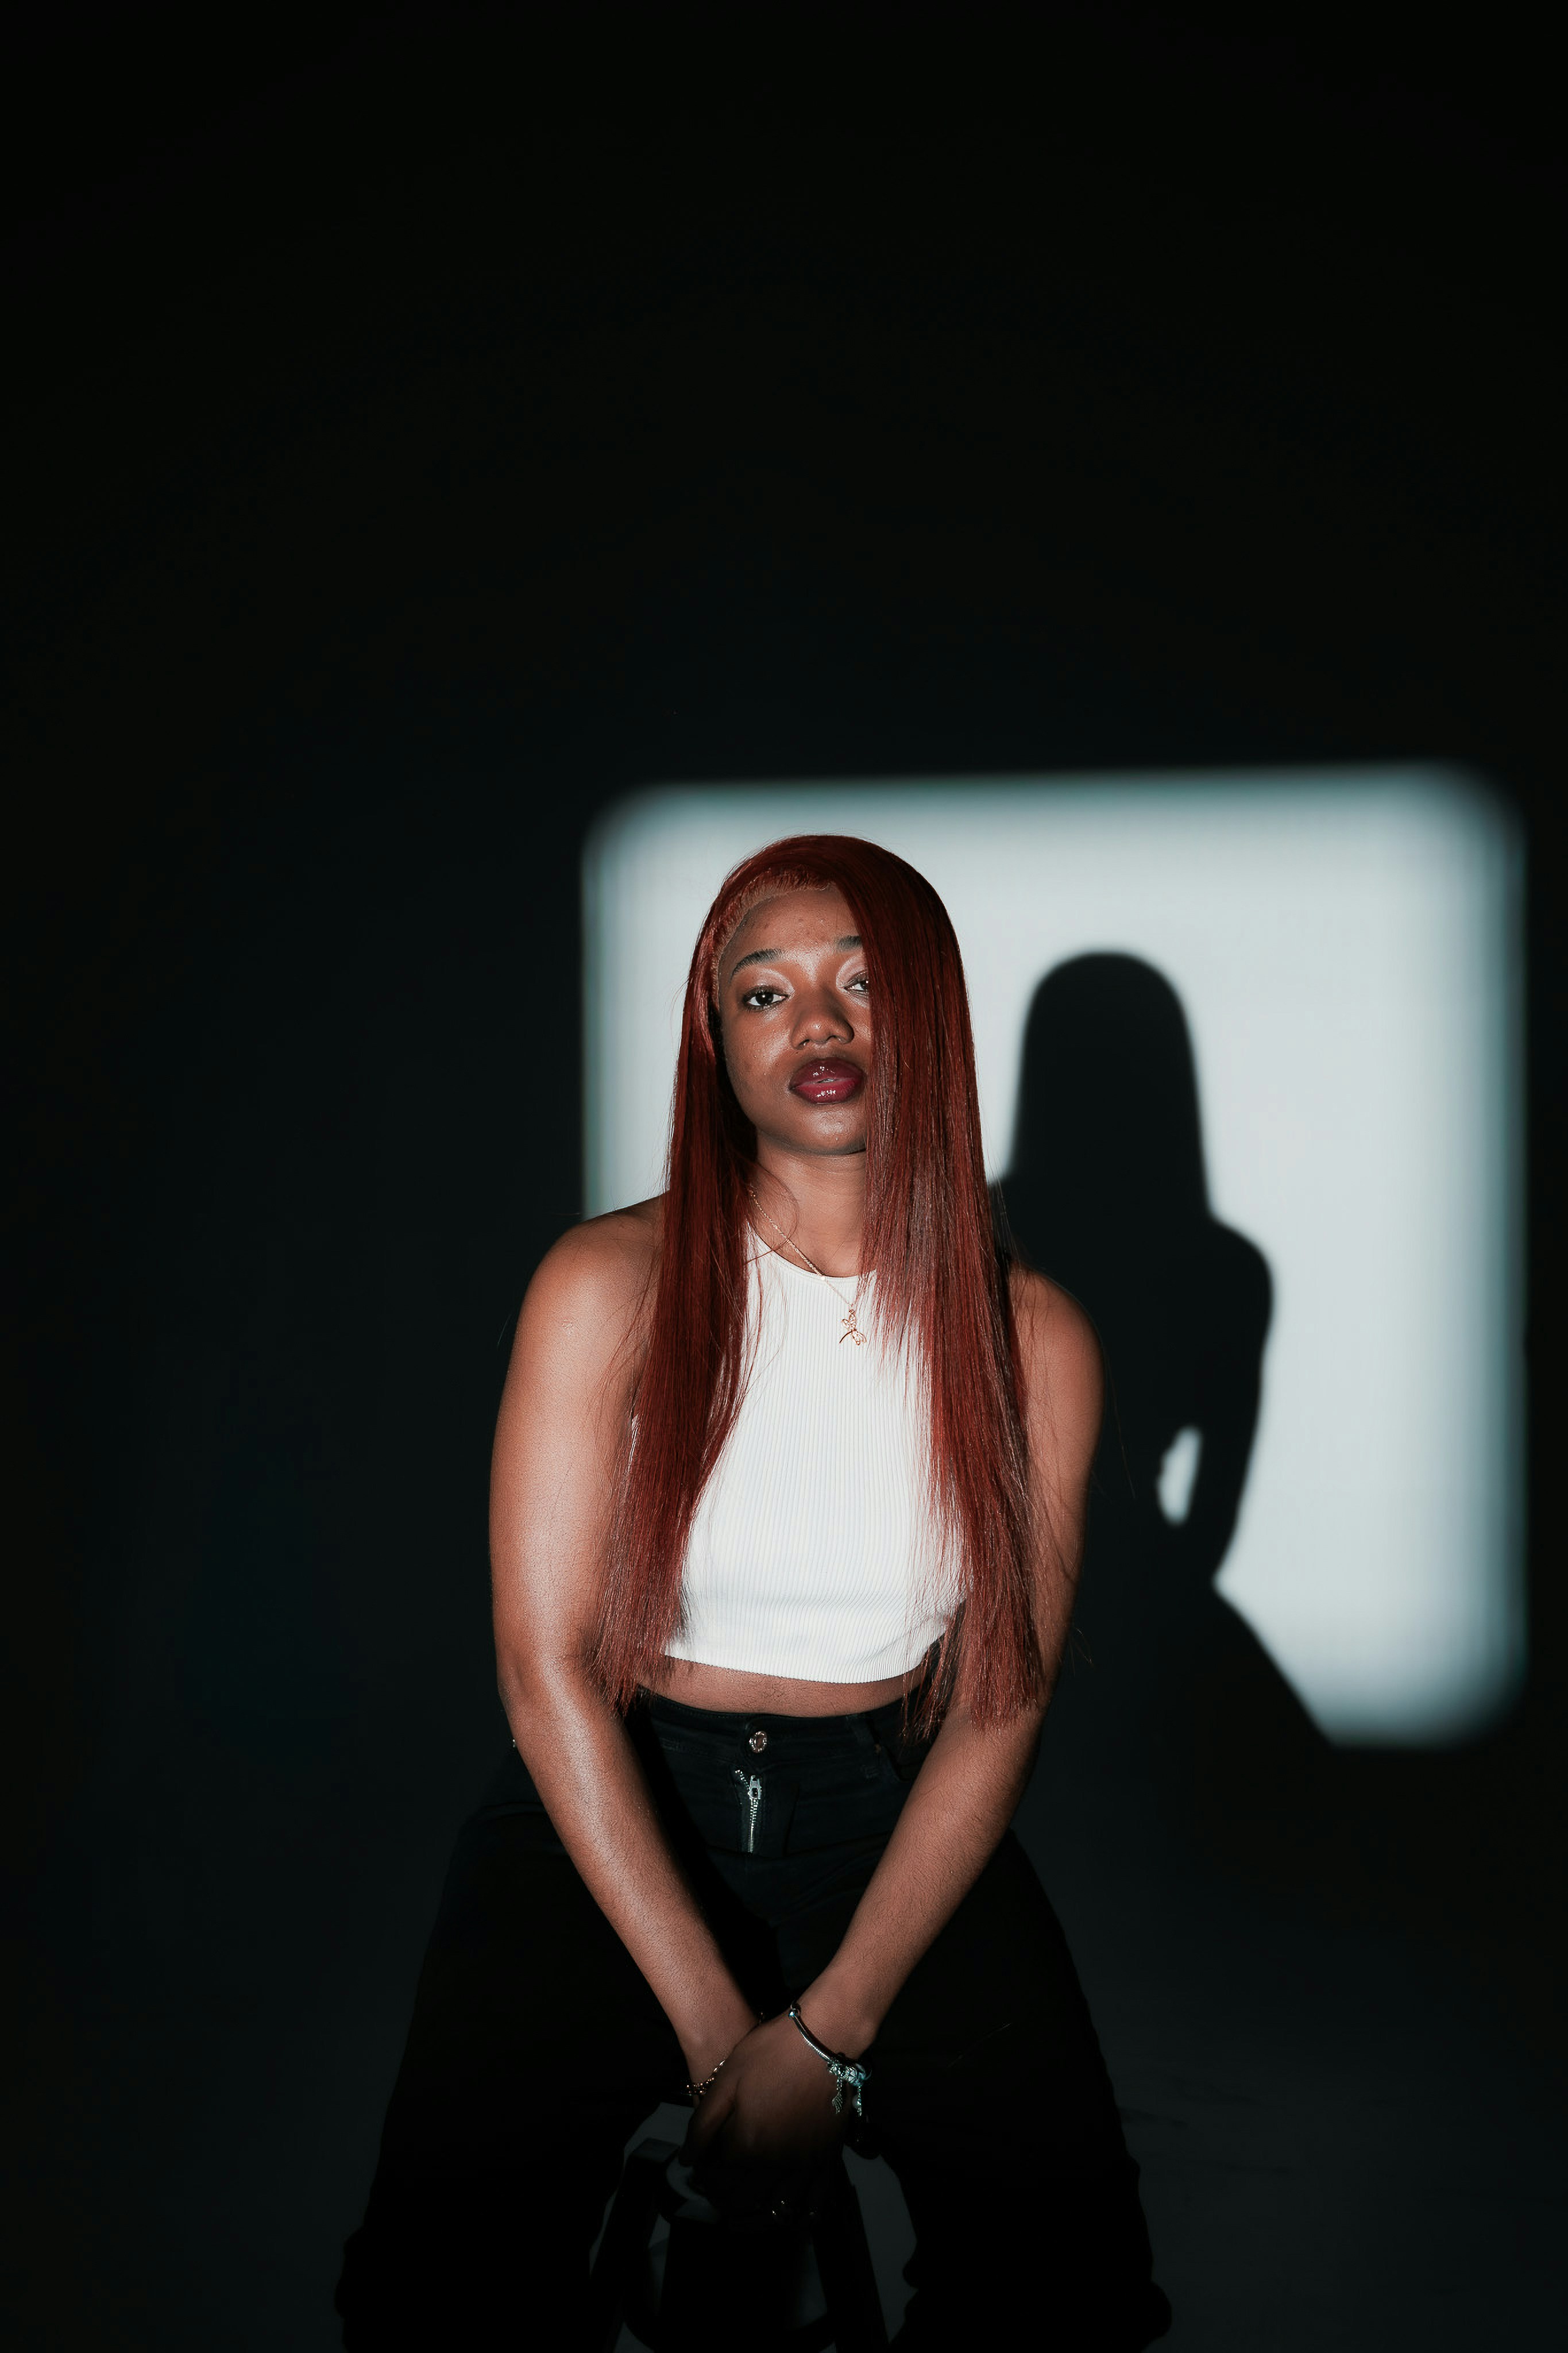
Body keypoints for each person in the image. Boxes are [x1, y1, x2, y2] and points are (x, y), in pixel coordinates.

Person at [336, 835, 1171, 2349]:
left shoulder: (1030, 1331)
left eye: (864, 984)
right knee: (431, 2293)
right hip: (612, 1789)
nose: (821, 1024)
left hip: (888, 1803)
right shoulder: (603, 1285)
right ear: (712, 1039)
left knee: (1073, 2294)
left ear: (929, 1017)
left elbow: (1002, 1694)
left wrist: (832, 2038)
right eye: (765, 991)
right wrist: (731, 2043)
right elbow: (544, 1678)